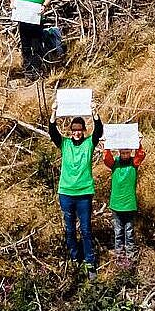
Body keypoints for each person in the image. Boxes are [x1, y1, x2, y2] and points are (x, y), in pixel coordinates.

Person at [47, 105, 104, 274]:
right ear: (70, 131)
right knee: (70, 229)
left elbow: (99, 131)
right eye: (74, 130)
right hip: (66, 193)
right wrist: (54, 113)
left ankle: (89, 261)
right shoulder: (64, 144)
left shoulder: (89, 144)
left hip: (84, 193)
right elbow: (52, 132)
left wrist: (95, 113)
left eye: (80, 130)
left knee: (86, 229)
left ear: (84, 131)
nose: (77, 133)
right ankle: (74, 258)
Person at [102, 133, 144, 257]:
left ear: (130, 151)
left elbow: (140, 155)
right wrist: (106, 144)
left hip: (130, 205)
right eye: (123, 152)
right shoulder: (114, 163)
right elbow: (106, 158)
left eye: (127, 152)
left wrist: (138, 142)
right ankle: (119, 254)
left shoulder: (134, 163)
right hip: (116, 204)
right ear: (119, 152)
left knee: (129, 231)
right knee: (118, 231)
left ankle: (130, 254)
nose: (125, 155)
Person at [10, 0, 52, 74]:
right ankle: (28, 72)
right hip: (22, 17)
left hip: (36, 16)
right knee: (25, 45)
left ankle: (38, 71)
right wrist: (13, 2)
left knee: (37, 44)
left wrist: (45, 5)